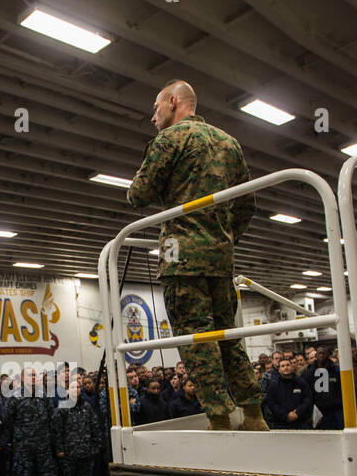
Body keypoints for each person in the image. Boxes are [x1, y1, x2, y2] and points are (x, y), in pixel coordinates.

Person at [126, 79, 268, 432]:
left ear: (173, 102)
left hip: (181, 258)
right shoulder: (229, 144)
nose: (152, 118)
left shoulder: (169, 140)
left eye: (156, 109)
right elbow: (247, 204)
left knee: (196, 339)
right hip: (221, 260)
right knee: (228, 335)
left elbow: (138, 195)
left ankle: (218, 417)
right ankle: (253, 413)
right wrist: (222, 237)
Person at [4, 368, 64, 476]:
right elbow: (8, 422)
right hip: (23, 447)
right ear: (22, 378)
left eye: (35, 375)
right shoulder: (15, 397)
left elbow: (52, 418)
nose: (33, 378)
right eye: (30, 375)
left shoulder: (43, 395)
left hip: (43, 446)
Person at [264, 356, 313, 429]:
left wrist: (298, 412)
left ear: (292, 367)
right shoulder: (274, 385)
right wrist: (285, 415)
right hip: (280, 423)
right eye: (283, 366)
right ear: (279, 370)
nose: (286, 367)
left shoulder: (301, 382)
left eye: (288, 365)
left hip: (300, 422)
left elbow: (308, 399)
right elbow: (271, 402)